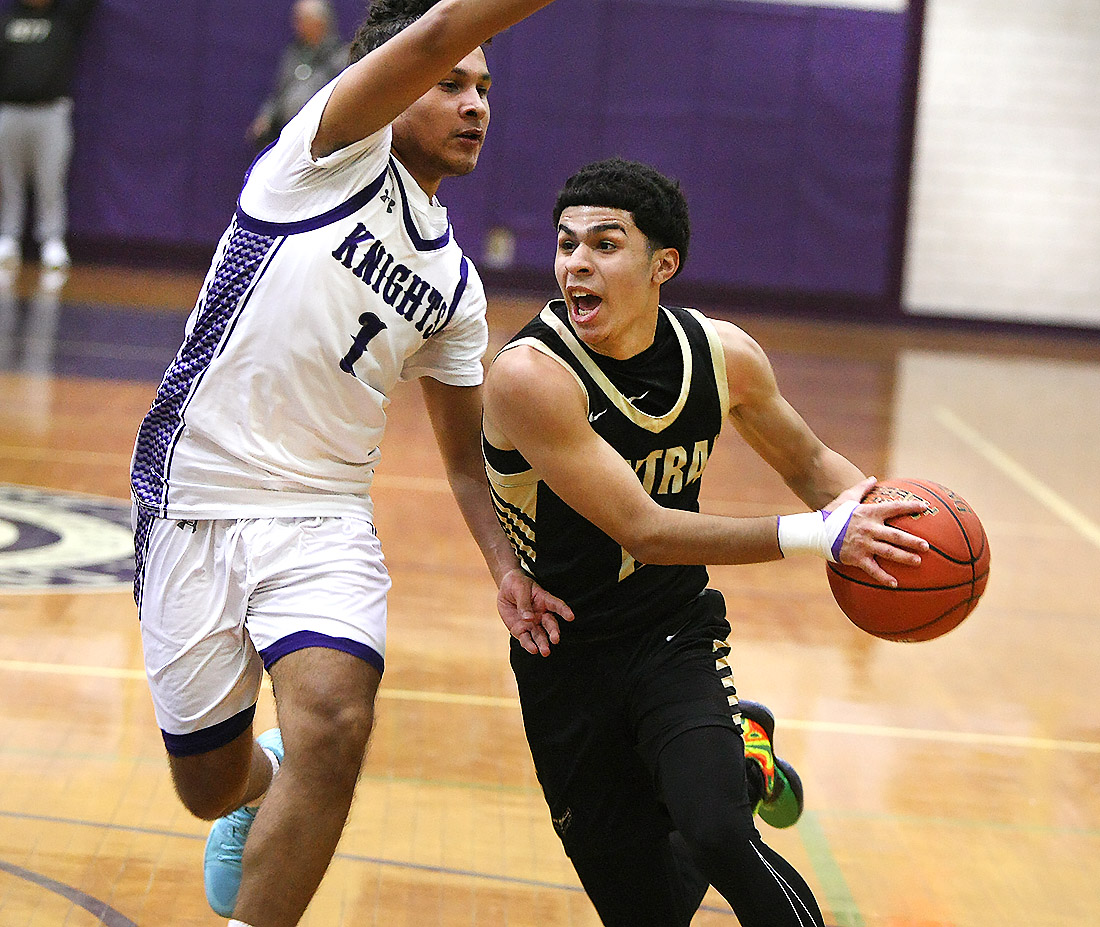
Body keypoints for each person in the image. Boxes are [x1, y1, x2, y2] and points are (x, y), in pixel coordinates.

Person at [129, 2, 572, 926]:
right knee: (206, 785)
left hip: (324, 513)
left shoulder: (455, 286)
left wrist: (505, 570)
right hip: (195, 489)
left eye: (487, 90)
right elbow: (437, 29)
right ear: (399, 80)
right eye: (453, 83)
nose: (475, 103)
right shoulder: (327, 150)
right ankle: (258, 783)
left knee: (336, 719)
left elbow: (461, 461)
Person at [481, 157, 931, 926]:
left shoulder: (722, 356)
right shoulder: (532, 377)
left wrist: (889, 529)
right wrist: (817, 537)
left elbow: (814, 464)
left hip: (671, 633)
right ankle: (746, 759)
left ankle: (726, 779)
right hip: (566, 653)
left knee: (718, 831)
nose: (576, 263)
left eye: (605, 244)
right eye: (566, 243)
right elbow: (643, 529)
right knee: (649, 909)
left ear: (663, 265)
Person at [0, 0, 98, 270]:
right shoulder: (7, 21)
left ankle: (52, 241)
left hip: (51, 112)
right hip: (9, 111)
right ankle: (8, 238)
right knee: (8, 181)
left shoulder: (65, 19)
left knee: (50, 179)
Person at [246, 0, 348, 151]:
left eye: (301, 20)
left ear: (319, 22)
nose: (296, 25)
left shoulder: (341, 56)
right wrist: (266, 117)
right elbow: (278, 94)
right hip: (286, 135)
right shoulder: (292, 54)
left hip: (319, 140)